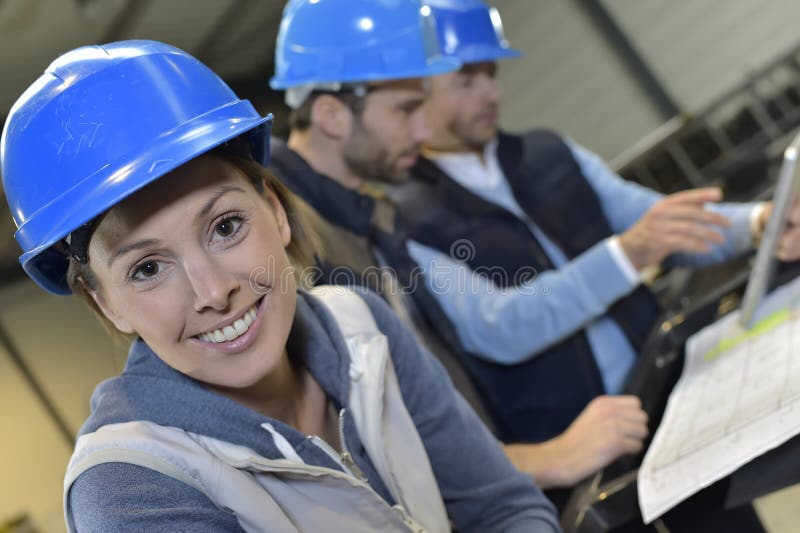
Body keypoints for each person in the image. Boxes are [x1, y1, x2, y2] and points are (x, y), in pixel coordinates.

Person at [0, 39, 560, 532]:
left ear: (277, 212)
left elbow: (506, 508)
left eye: (225, 227)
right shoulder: (132, 484)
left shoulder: (360, 324)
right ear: (104, 301)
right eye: (146, 268)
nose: (214, 292)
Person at [268, 0, 649, 490]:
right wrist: (541, 458)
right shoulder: (291, 247)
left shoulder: (372, 218)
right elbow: (367, 437)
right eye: (407, 110)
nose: (425, 132)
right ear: (331, 115)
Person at [393, 0, 800, 446]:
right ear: (414, 91)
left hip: (672, 391)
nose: (490, 93)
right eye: (466, 80)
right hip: (582, 443)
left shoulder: (548, 152)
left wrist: (763, 221)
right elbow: (498, 328)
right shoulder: (410, 221)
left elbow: (656, 223)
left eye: (491, 73)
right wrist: (626, 255)